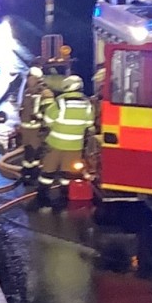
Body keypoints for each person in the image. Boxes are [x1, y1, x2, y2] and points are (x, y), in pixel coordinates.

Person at [38, 75, 95, 206]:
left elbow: (48, 121)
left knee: (48, 172)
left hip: (55, 144)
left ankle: (42, 198)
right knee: (68, 174)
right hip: (75, 147)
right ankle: (63, 198)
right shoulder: (87, 104)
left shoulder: (59, 102)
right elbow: (89, 123)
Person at [16, 67, 51, 183]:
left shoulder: (45, 93)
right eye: (28, 78)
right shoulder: (27, 92)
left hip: (37, 129)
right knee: (28, 151)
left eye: (31, 78)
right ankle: (27, 172)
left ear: (37, 78)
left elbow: (49, 113)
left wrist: (40, 120)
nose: (28, 80)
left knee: (36, 152)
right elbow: (23, 109)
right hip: (26, 129)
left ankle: (34, 174)